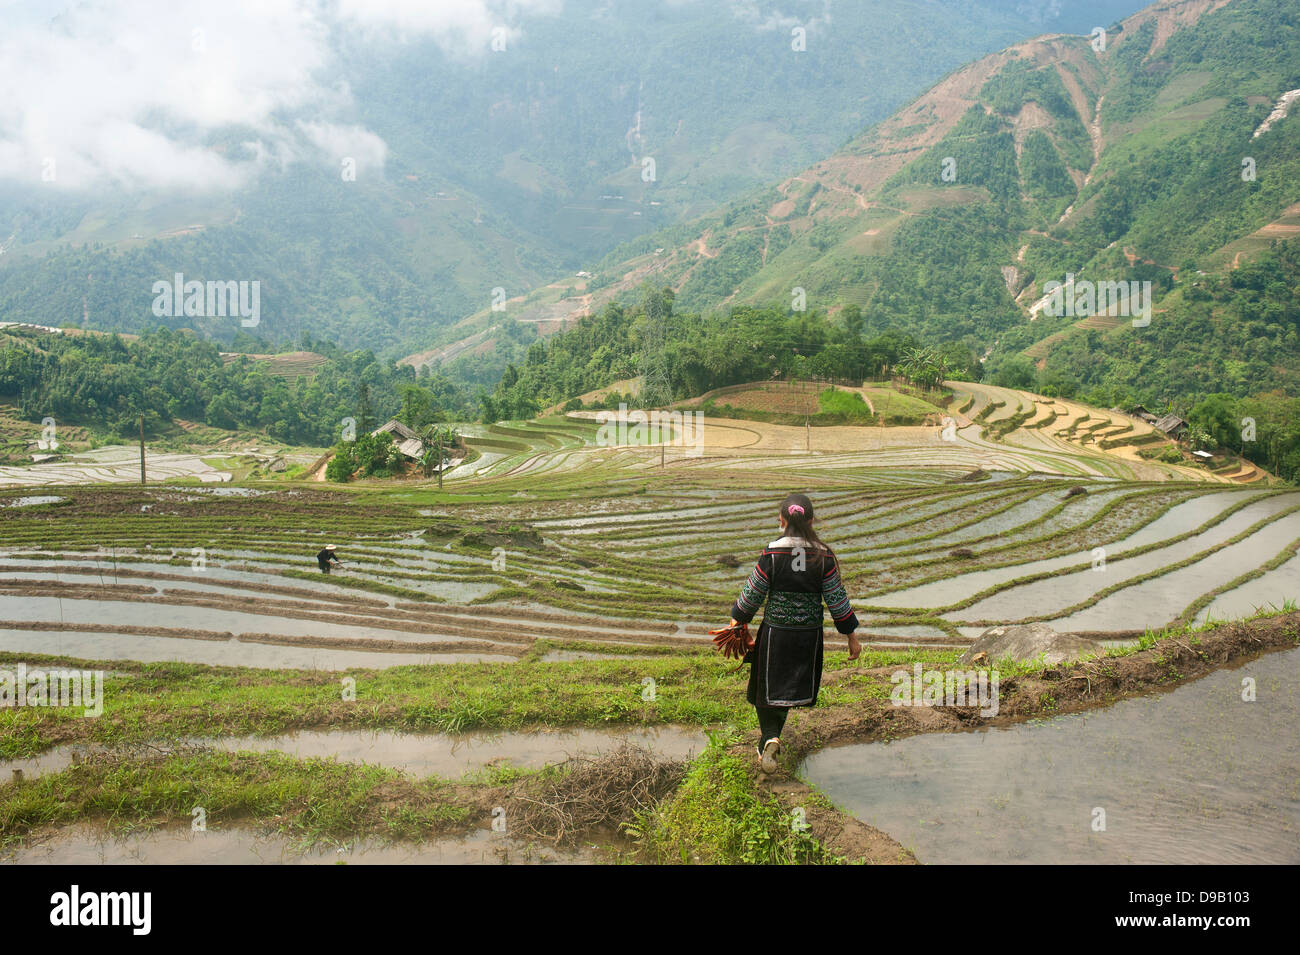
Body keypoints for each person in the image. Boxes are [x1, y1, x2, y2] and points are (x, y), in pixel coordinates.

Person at [727, 493, 860, 773]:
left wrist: (738, 620)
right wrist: (851, 636)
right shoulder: (823, 555)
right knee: (788, 687)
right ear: (811, 521)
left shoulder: (773, 552)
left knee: (766, 688)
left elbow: (753, 592)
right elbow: (837, 599)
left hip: (776, 631)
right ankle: (771, 739)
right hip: (808, 635)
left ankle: (769, 738)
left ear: (782, 520)